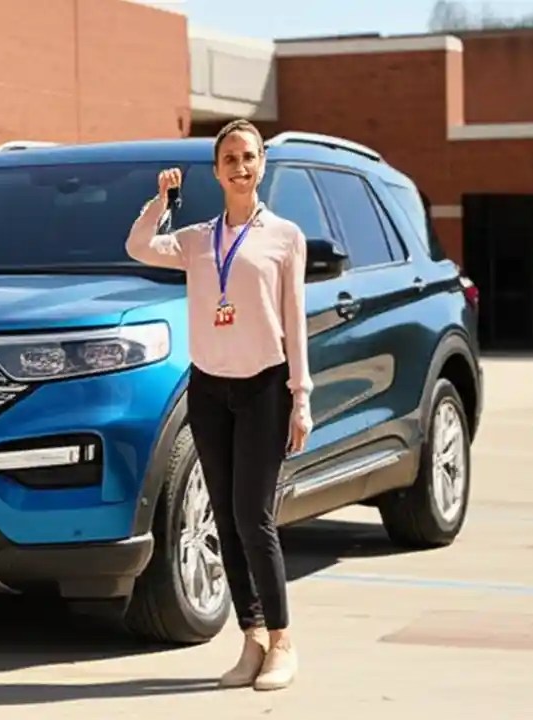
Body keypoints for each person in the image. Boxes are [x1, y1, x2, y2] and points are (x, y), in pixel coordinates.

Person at [124, 119, 312, 691]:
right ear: (216, 169)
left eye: (249, 156)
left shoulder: (284, 237)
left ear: (261, 165)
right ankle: (251, 637)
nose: (240, 166)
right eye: (229, 157)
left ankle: (283, 641)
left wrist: (300, 398)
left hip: (264, 388)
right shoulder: (197, 239)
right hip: (209, 390)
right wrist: (159, 204)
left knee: (255, 518)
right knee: (225, 518)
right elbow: (136, 247)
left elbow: (296, 321)